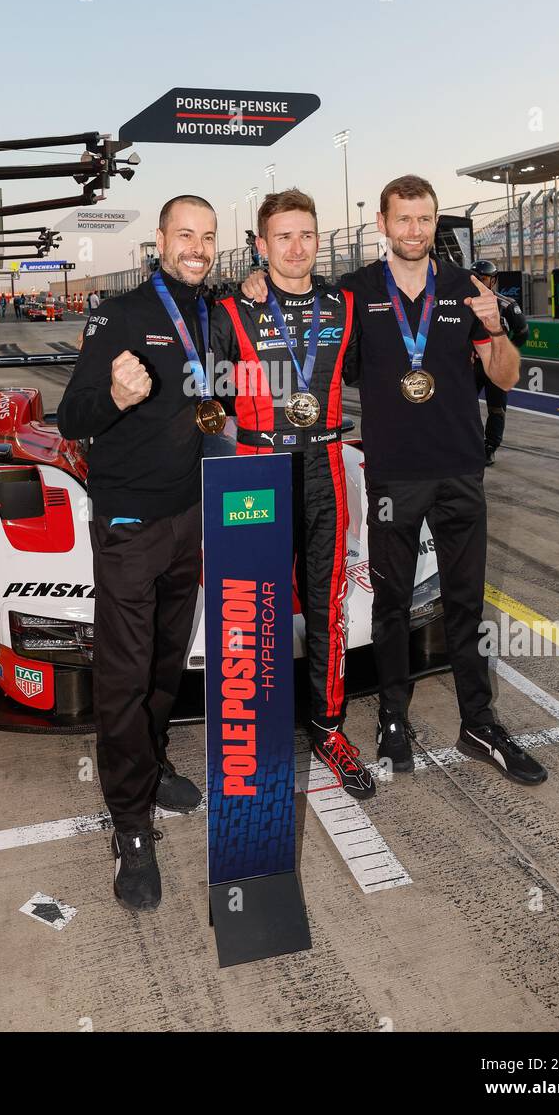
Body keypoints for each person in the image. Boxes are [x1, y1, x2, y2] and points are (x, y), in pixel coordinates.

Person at [339, 175, 547, 785]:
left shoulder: (465, 288)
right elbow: (294, 306)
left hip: (459, 471)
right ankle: (393, 716)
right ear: (382, 223)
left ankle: (478, 723)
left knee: (465, 603)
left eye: (424, 219)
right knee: (393, 604)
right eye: (402, 219)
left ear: (436, 223)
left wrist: (497, 329)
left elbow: (506, 378)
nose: (414, 230)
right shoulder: (355, 290)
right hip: (393, 475)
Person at [57, 195, 218, 912]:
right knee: (123, 677)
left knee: (164, 660)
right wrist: (116, 399)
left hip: (191, 518)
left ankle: (151, 763)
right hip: (128, 525)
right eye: (185, 234)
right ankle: (129, 824)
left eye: (208, 237)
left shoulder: (212, 312)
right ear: (160, 239)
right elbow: (71, 415)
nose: (197, 246)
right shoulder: (120, 314)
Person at [215, 189, 374, 800]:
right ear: (261, 245)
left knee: (325, 607)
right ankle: (256, 736)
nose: (296, 246)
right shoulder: (232, 308)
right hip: (257, 467)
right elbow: (205, 395)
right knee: (252, 611)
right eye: (282, 236)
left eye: (306, 233)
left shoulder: (347, 304)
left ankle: (328, 728)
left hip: (326, 466)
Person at [470, 260, 530, 464]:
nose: (479, 281)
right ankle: (468, 444)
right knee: (464, 406)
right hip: (471, 365)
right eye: (476, 277)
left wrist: (505, 351)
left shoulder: (506, 304)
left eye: (484, 278)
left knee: (496, 408)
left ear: (493, 280)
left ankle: (490, 447)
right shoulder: (462, 303)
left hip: (496, 365)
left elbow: (522, 333)